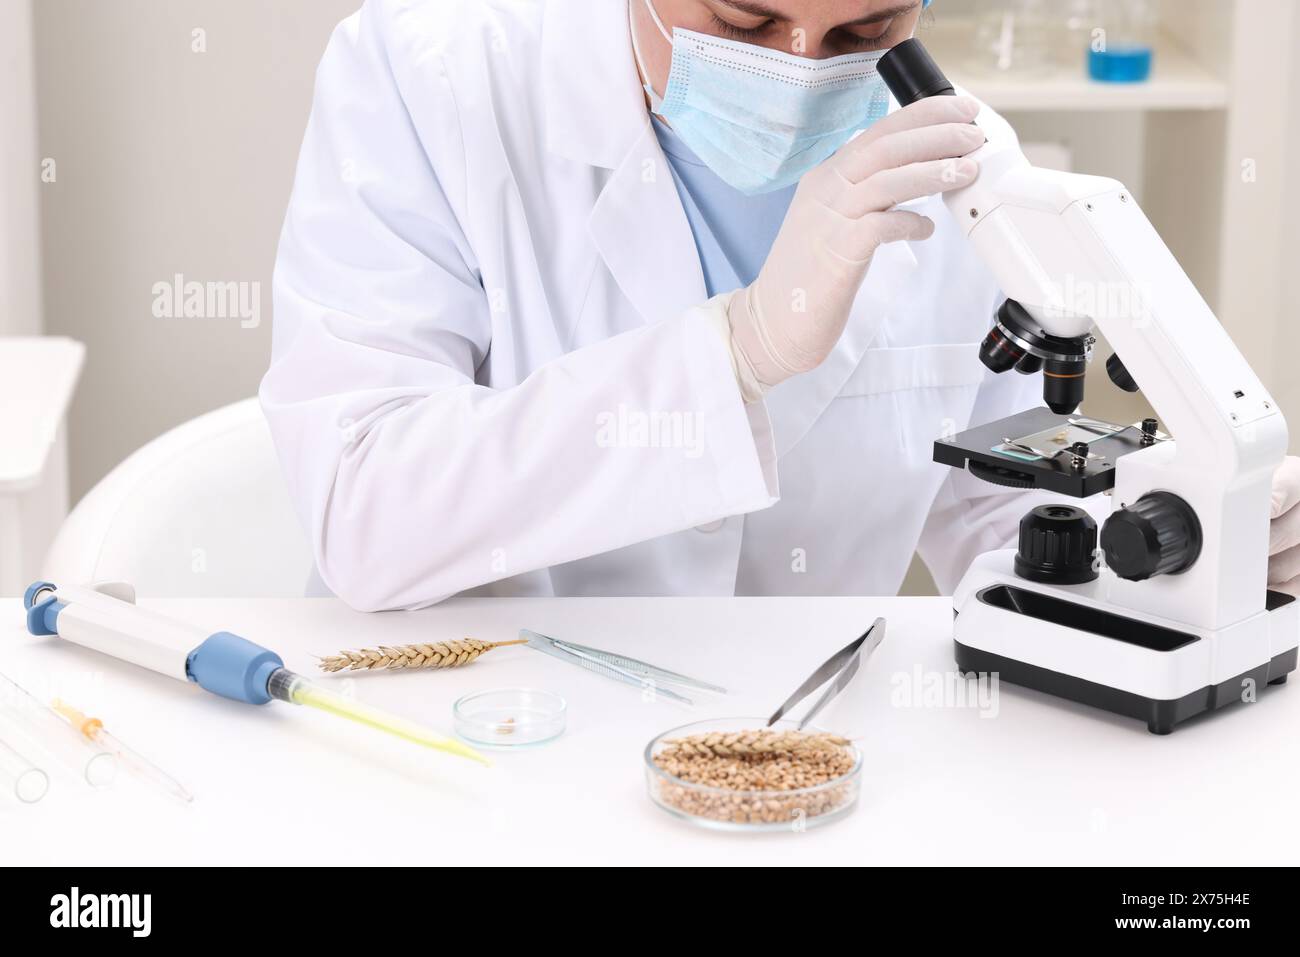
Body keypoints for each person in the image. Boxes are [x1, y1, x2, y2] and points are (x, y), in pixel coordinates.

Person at [260, 0, 1300, 610]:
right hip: (473, 734)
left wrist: (1179, 554)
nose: (799, 70)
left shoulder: (956, 159)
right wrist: (739, 350)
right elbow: (364, 509)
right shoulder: (424, 73)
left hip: (803, 761)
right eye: (744, 18)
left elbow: (992, 500)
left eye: (864, 26)